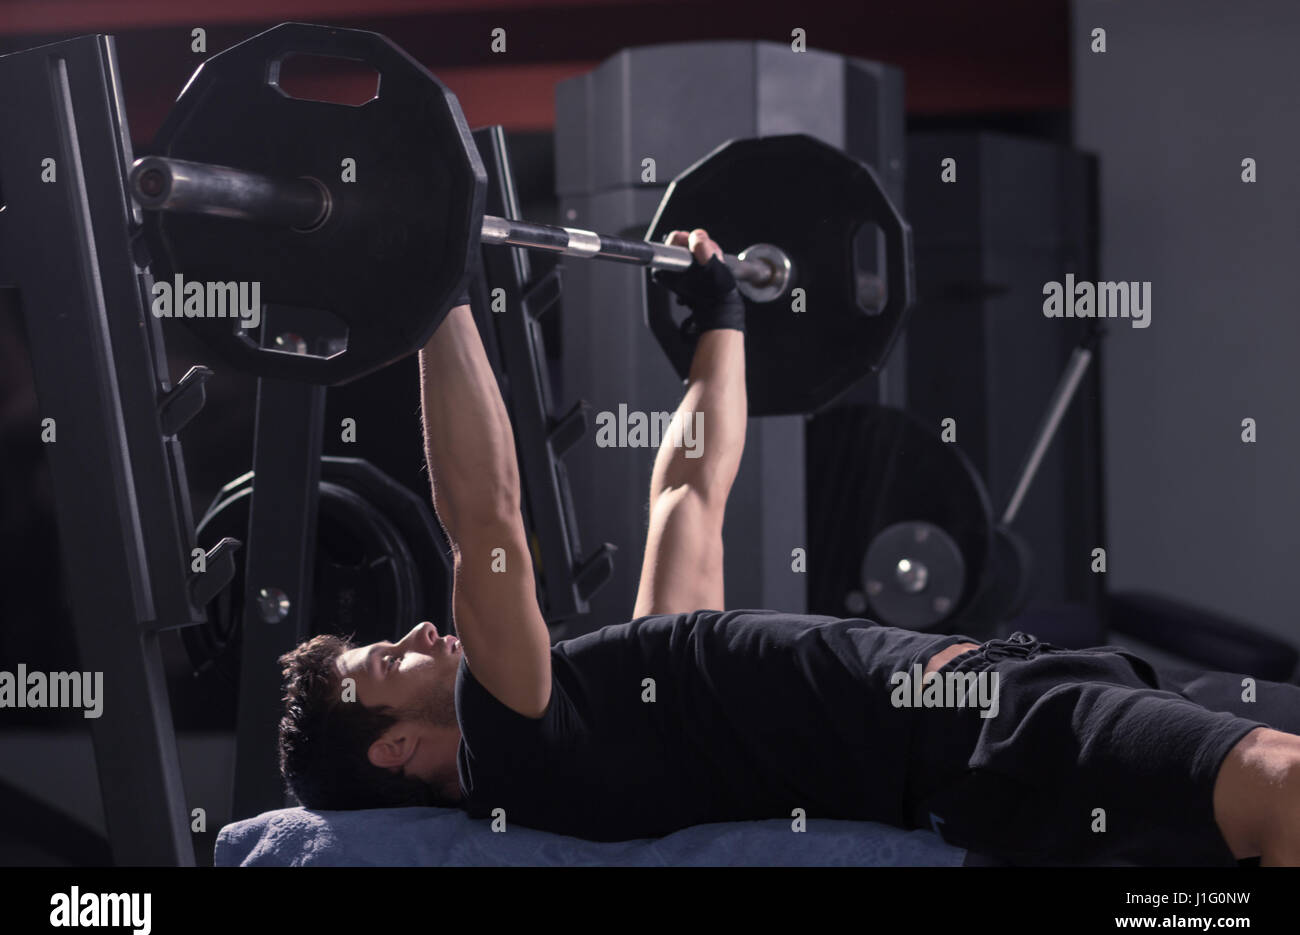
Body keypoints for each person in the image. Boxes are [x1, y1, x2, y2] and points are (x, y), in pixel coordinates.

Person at [277, 229, 1300, 866]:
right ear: (395, 748)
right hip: (994, 737)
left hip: (1031, 690)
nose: (415, 630)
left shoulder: (619, 714)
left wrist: (721, 322)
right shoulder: (515, 750)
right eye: (382, 660)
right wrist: (435, 297)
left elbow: (689, 492)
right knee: (1282, 787)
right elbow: (482, 519)